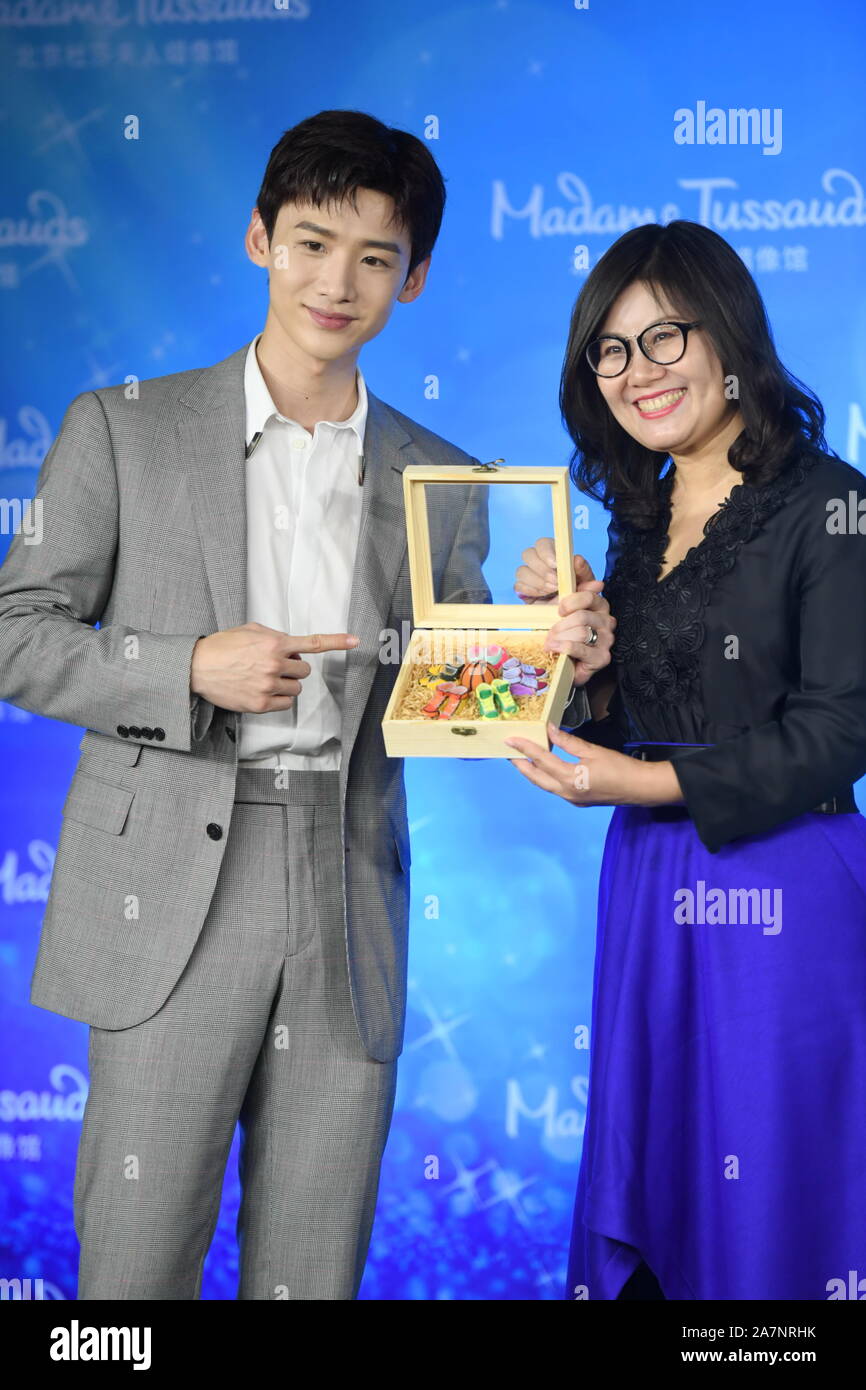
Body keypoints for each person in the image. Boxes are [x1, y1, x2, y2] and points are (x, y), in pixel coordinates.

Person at [0, 109, 499, 1300]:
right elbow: (15, 633)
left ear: (412, 280)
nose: (338, 282)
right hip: (169, 880)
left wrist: (556, 646)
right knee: (132, 1267)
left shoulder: (445, 476)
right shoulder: (121, 429)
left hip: (342, 879)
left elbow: (466, 701)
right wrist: (184, 667)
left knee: (311, 1268)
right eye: (312, 243)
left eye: (375, 259)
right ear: (258, 240)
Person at [506, 219, 866, 1300]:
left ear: (728, 335)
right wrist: (580, 657)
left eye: (662, 337)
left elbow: (840, 727)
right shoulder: (635, 512)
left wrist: (645, 785)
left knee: (768, 1195)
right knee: (656, 1182)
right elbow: (632, 726)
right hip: (648, 880)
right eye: (608, 350)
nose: (636, 371)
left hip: (782, 887)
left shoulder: (828, 502)